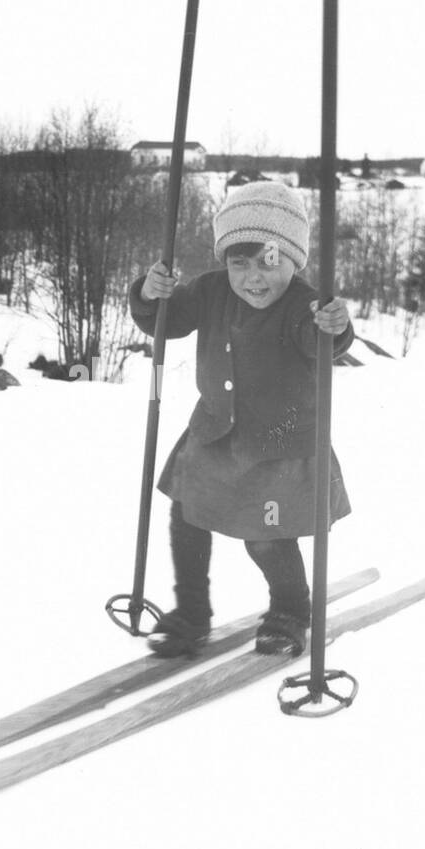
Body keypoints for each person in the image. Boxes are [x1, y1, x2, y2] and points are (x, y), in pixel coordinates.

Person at [129, 180, 353, 658]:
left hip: (279, 447)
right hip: (213, 435)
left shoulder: (304, 306)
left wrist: (335, 327)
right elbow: (163, 323)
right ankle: (191, 614)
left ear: (293, 260)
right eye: (239, 261)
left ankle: (290, 609)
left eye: (269, 260)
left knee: (266, 538)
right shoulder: (210, 291)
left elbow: (328, 341)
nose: (254, 276)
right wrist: (152, 296)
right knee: (187, 517)